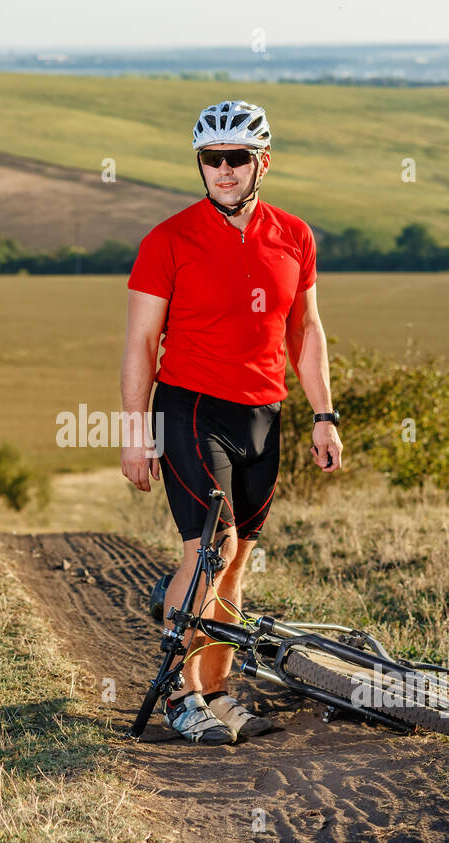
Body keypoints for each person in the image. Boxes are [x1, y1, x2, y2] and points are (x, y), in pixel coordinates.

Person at [120, 100, 343, 744]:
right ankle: (180, 700)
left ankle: (216, 695)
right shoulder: (168, 240)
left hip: (263, 416)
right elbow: (140, 345)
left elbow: (306, 331)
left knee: (238, 561)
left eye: (235, 159)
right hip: (191, 409)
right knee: (208, 548)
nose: (221, 170)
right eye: (209, 159)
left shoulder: (294, 236)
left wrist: (323, 415)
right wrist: (136, 433)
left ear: (261, 163)